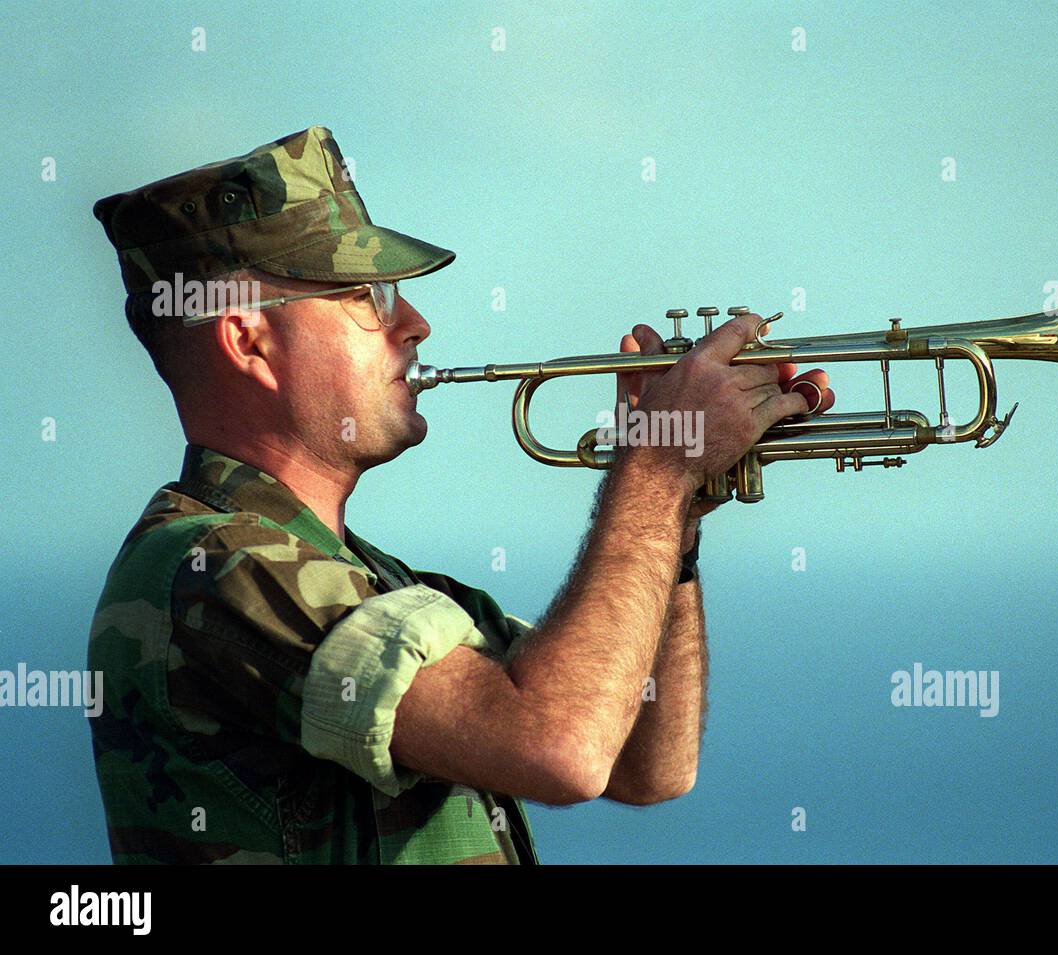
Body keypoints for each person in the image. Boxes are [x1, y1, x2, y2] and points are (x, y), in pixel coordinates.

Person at [87, 126, 835, 864]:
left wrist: (677, 515)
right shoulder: (210, 567)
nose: (414, 324)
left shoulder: (377, 582)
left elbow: (647, 763)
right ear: (247, 341)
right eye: (367, 296)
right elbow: (559, 747)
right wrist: (657, 469)